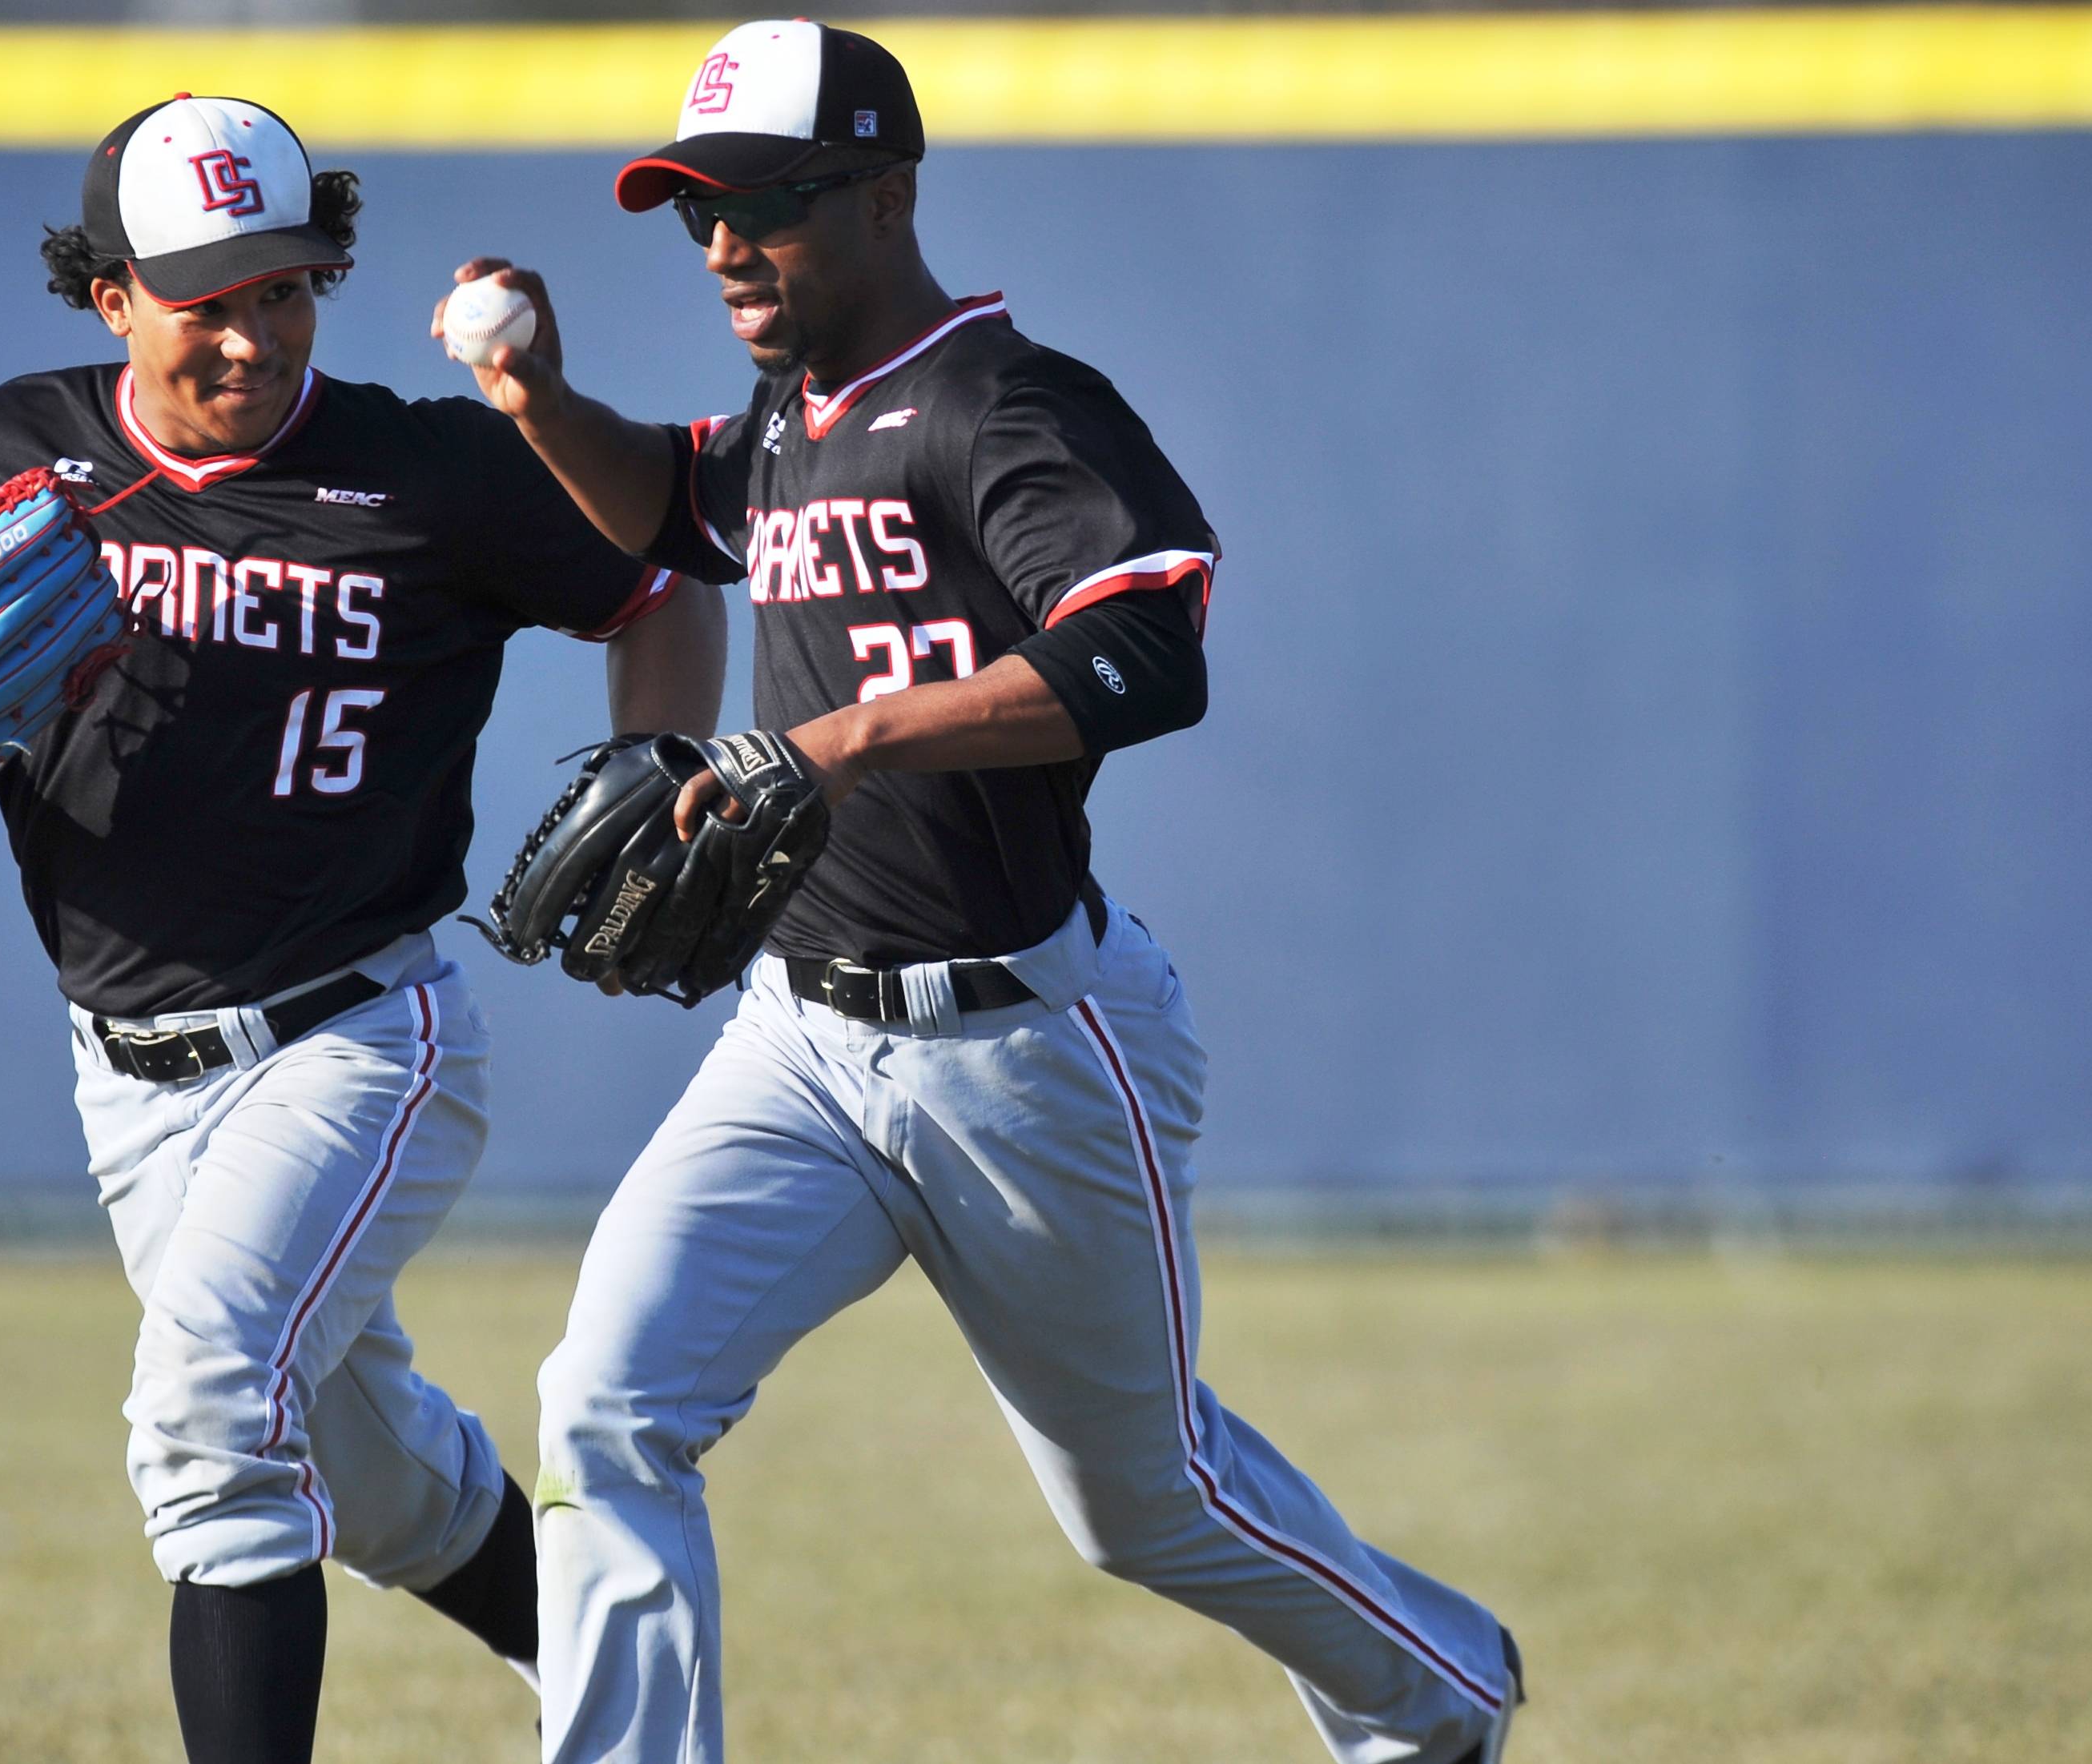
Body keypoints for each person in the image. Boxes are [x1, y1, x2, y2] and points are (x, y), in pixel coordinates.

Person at [437, 21, 1523, 1763]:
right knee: (605, 1404)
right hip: (797, 1039)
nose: (721, 243)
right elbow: (682, 513)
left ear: (885, 195)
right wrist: (541, 405)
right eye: (693, 211)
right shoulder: (793, 414)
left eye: (763, 204)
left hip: (1024, 1046)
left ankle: (1436, 1694)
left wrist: (850, 735)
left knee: (1144, 1507)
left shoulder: (1000, 404)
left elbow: (1144, 655)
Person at [0, 93, 723, 1764]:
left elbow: (656, 588)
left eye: (284, 289)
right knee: (377, 1479)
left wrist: (658, 761)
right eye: (203, 297)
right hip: (127, 1075)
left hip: (355, 1037)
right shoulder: (18, 445)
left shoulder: (428, 471)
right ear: (113, 297)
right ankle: (613, 1671)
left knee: (210, 1420)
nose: (248, 332)